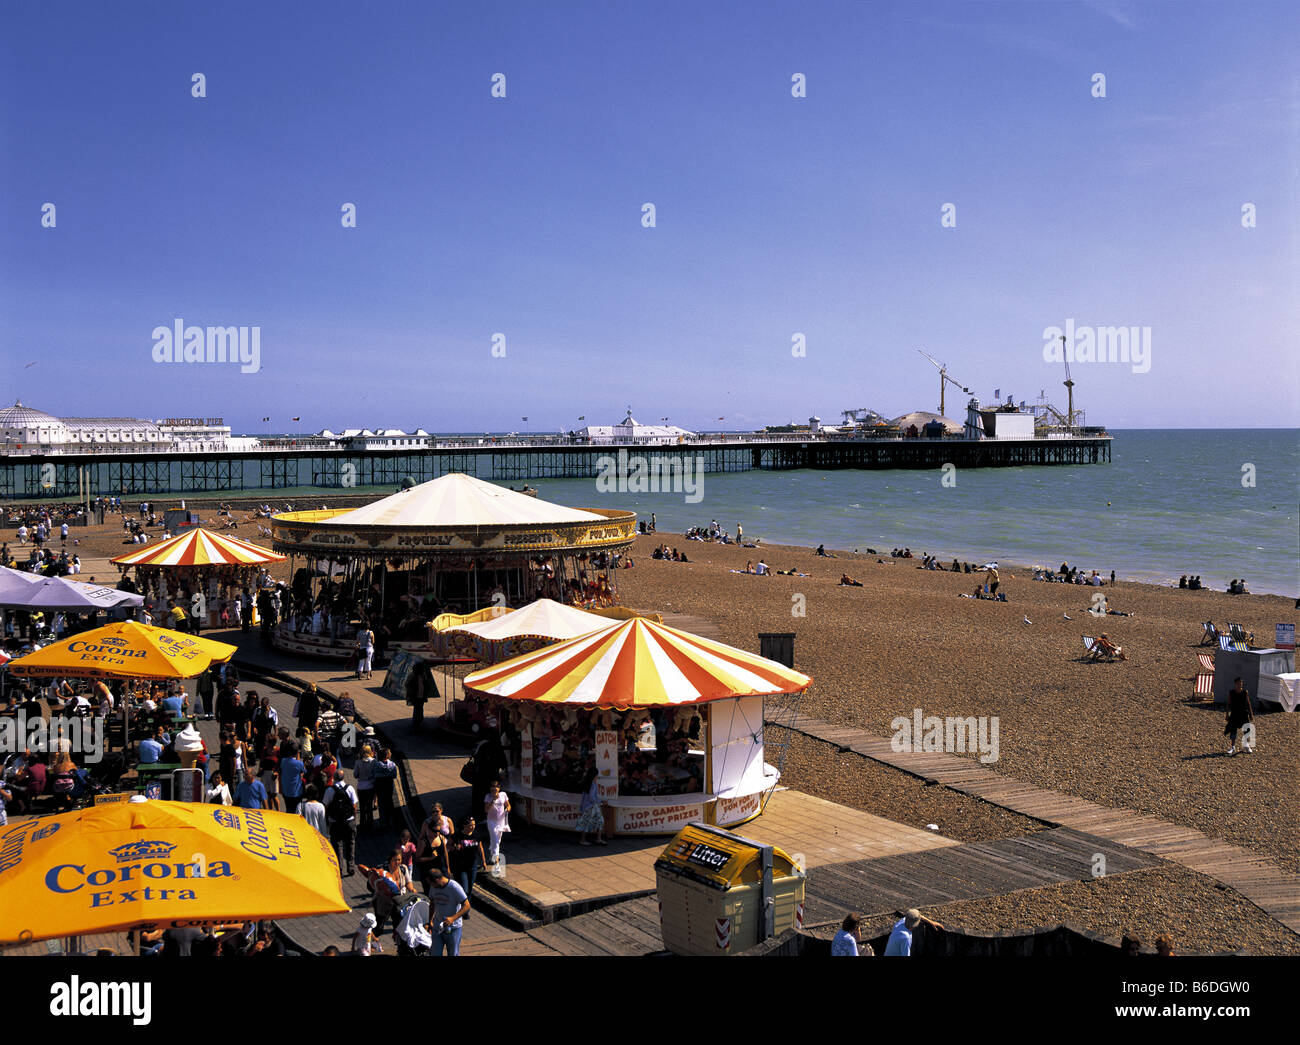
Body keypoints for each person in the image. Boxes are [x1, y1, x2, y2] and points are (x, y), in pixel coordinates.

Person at [426, 866, 471, 957]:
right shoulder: (433, 886)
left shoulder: (454, 887)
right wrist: (430, 920)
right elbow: (432, 903)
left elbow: (467, 906)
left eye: (431, 883)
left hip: (453, 928)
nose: (431, 886)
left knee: (453, 954)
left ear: (437, 880)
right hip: (437, 927)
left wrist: (452, 918)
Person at [448, 816, 486, 915]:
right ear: (464, 826)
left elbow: (480, 848)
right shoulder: (457, 835)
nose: (473, 827)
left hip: (472, 866)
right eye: (470, 825)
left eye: (474, 825)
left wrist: (483, 861)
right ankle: (461, 907)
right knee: (464, 889)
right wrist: (455, 847)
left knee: (469, 889)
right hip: (460, 867)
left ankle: (465, 910)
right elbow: (448, 846)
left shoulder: (476, 835)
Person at [324, 769, 359, 875]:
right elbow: (354, 805)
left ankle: (339, 867)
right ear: (344, 777)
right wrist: (354, 819)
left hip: (335, 822)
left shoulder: (330, 790)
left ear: (334, 778)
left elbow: (325, 805)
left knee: (337, 845)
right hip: (349, 821)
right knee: (350, 843)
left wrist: (328, 820)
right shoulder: (350, 789)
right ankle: (351, 867)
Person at [575, 766, 607, 846]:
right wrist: (600, 801)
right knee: (599, 820)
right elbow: (592, 797)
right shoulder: (593, 784)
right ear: (594, 775)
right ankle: (596, 839)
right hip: (592, 806)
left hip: (586, 806)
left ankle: (585, 839)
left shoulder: (587, 783)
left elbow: (584, 797)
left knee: (586, 822)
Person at [1224, 677, 1255, 756]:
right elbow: (1228, 704)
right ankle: (1232, 747)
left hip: (1243, 714)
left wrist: (1251, 714)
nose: (1239, 685)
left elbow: (1248, 703)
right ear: (1235, 684)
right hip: (1234, 714)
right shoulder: (1231, 693)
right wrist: (1227, 714)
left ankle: (1246, 745)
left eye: (1240, 683)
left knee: (1246, 730)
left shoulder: (1245, 692)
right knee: (1233, 730)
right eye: (1238, 683)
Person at [484, 779, 511, 866]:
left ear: (499, 788)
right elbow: (486, 810)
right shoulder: (488, 797)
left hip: (501, 822)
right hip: (491, 822)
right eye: (492, 787)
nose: (494, 789)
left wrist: (508, 809)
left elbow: (508, 805)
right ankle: (496, 859)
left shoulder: (503, 795)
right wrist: (493, 801)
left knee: (497, 840)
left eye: (495, 787)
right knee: (495, 840)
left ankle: (492, 856)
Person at [279, 744, 306, 814]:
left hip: (286, 791)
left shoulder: (283, 761)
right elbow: (303, 771)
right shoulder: (299, 764)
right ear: (297, 753)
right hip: (296, 792)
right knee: (297, 811)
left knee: (288, 809)